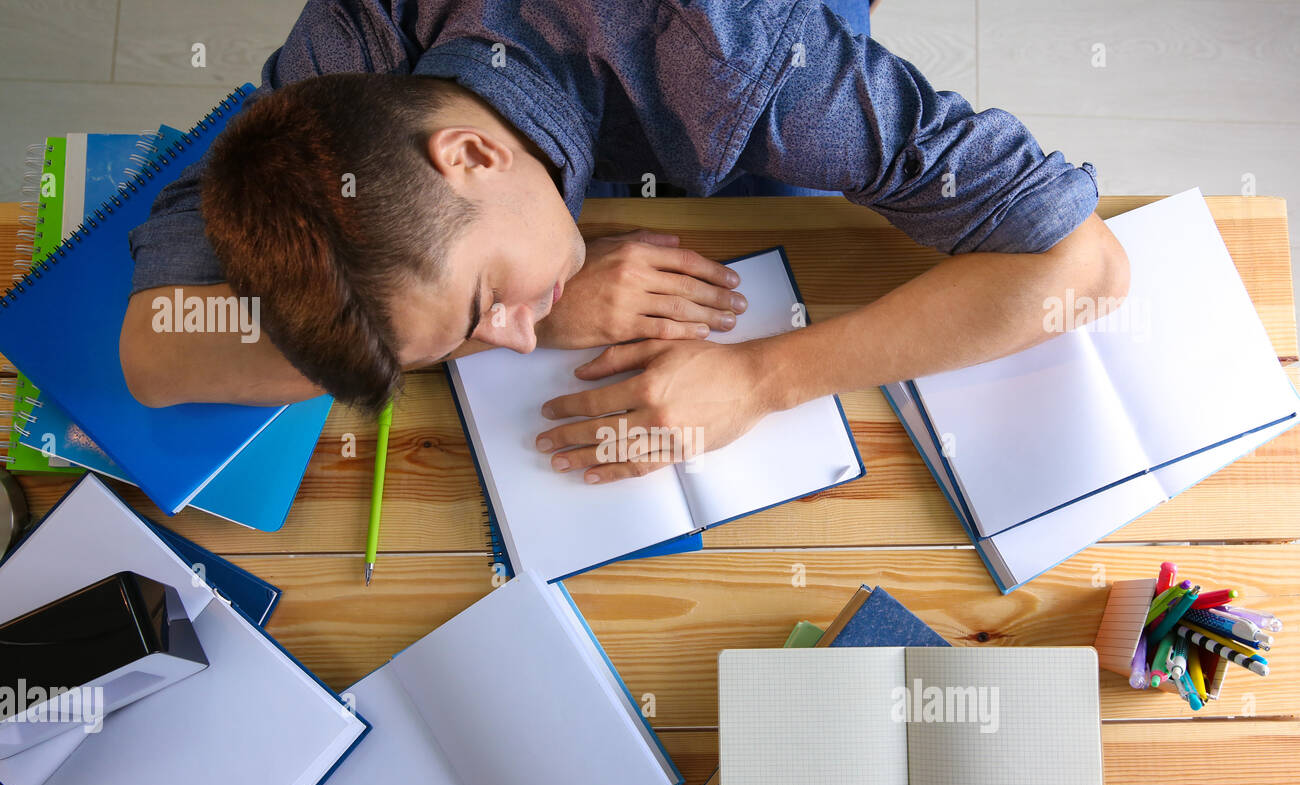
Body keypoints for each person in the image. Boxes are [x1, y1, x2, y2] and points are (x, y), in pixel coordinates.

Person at [121, 0, 1128, 485]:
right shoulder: (351, 60)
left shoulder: (758, 68)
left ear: (471, 152)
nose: (517, 340)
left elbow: (1082, 265)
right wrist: (524, 307)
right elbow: (155, 352)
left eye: (489, 309)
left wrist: (763, 378)